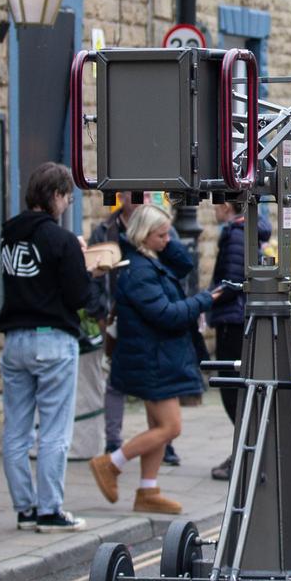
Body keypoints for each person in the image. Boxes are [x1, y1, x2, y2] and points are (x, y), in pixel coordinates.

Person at [91, 204, 223, 514]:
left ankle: (148, 491)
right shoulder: (139, 271)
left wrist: (162, 233)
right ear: (143, 236)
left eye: (167, 234)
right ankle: (111, 463)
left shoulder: (152, 259)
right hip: (153, 360)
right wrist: (204, 300)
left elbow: (183, 264)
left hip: (158, 357)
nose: (168, 240)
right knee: (170, 427)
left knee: (157, 425)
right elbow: (166, 315)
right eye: (161, 235)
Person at [0, 161, 92, 531]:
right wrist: (87, 268)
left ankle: (25, 509)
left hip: (14, 340)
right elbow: (78, 295)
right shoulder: (61, 240)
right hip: (53, 340)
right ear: (54, 195)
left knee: (16, 430)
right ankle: (50, 510)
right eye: (67, 197)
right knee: (54, 430)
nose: (68, 204)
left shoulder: (8, 235)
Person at [91, 194, 192, 466]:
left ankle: (153, 472)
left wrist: (164, 234)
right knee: (116, 381)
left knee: (155, 399)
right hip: (120, 317)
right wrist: (100, 313)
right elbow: (92, 276)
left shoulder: (160, 234)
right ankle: (113, 448)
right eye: (136, 194)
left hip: (151, 322)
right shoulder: (106, 231)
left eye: (146, 194)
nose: (142, 200)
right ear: (121, 197)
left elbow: (184, 266)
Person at [208, 196, 271, 481]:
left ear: (227, 205)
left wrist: (205, 300)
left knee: (232, 391)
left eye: (216, 202)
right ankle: (248, 453)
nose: (213, 207)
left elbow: (232, 281)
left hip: (233, 321)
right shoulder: (246, 230)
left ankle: (249, 455)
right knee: (239, 390)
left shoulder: (236, 233)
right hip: (239, 318)